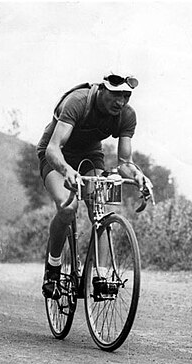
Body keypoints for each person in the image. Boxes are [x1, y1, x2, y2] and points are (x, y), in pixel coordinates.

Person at [37, 72, 152, 298]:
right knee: (68, 208)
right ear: (102, 89)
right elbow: (53, 148)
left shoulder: (126, 115)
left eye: (126, 96)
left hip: (90, 156)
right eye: (116, 95)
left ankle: (100, 276)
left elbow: (125, 163)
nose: (121, 102)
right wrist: (67, 171)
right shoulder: (78, 102)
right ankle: (53, 267)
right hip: (56, 155)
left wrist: (139, 176)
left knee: (100, 210)